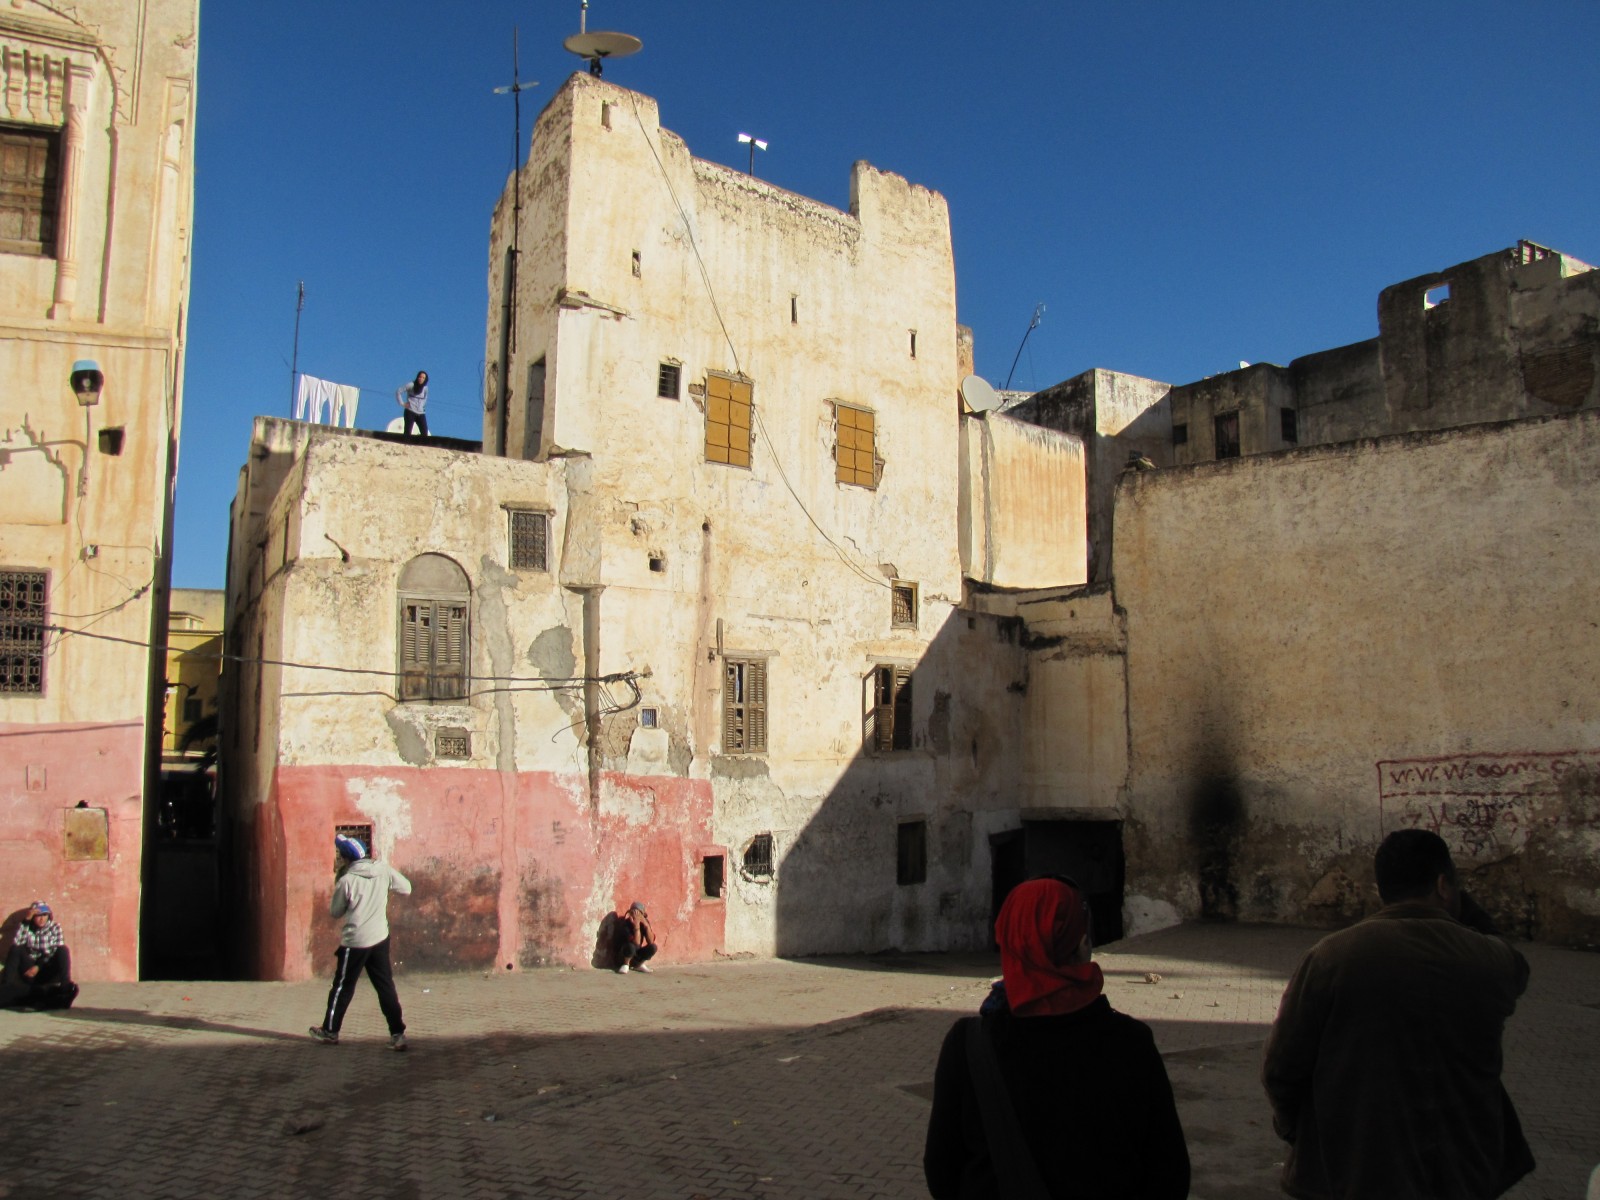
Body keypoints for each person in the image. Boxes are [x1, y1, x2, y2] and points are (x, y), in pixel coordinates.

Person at [1262, 828, 1534, 1200]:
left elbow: (1283, 1066)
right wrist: (1461, 906)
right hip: (1460, 1170)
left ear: (1380, 890)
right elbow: (1512, 963)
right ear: (1443, 884)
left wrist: (1301, 1131)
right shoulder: (1490, 960)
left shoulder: (1331, 956)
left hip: (1355, 1170)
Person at [924, 877, 1190, 1199]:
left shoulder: (969, 1046)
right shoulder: (1130, 1043)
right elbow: (1169, 1173)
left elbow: (942, 1170)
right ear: (1080, 945)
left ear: (1009, 940)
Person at [310, 835, 412, 1050]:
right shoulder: (382, 870)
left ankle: (330, 1031)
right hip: (379, 937)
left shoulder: (347, 880)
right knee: (385, 986)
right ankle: (398, 1033)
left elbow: (335, 912)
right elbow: (406, 887)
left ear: (346, 858)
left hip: (355, 942)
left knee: (342, 987)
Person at [1, 902, 77, 1010]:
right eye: (38, 916)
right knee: (16, 949)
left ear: (49, 916)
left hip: (45, 967)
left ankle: (65, 987)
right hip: (29, 970)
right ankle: (5, 989)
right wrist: (26, 921)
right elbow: (17, 943)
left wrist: (38, 966)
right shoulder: (27, 927)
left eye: (44, 915)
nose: (41, 919)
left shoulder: (55, 927)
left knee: (63, 950)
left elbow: (54, 949)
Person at [614, 901, 657, 974]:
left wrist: (646, 926)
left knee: (653, 947)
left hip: (636, 953)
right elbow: (636, 943)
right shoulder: (625, 924)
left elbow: (651, 941)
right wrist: (636, 926)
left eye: (638, 914)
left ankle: (639, 964)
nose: (636, 916)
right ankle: (625, 964)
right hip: (625, 953)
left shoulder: (644, 923)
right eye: (634, 913)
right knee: (631, 946)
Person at [395, 370, 429, 436]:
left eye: (423, 378)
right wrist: (402, 403)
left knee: (425, 433)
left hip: (420, 413)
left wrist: (422, 407)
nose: (421, 379)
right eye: (420, 377)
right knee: (407, 432)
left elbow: (425, 398)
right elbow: (398, 392)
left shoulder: (425, 388)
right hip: (410, 411)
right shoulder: (411, 385)